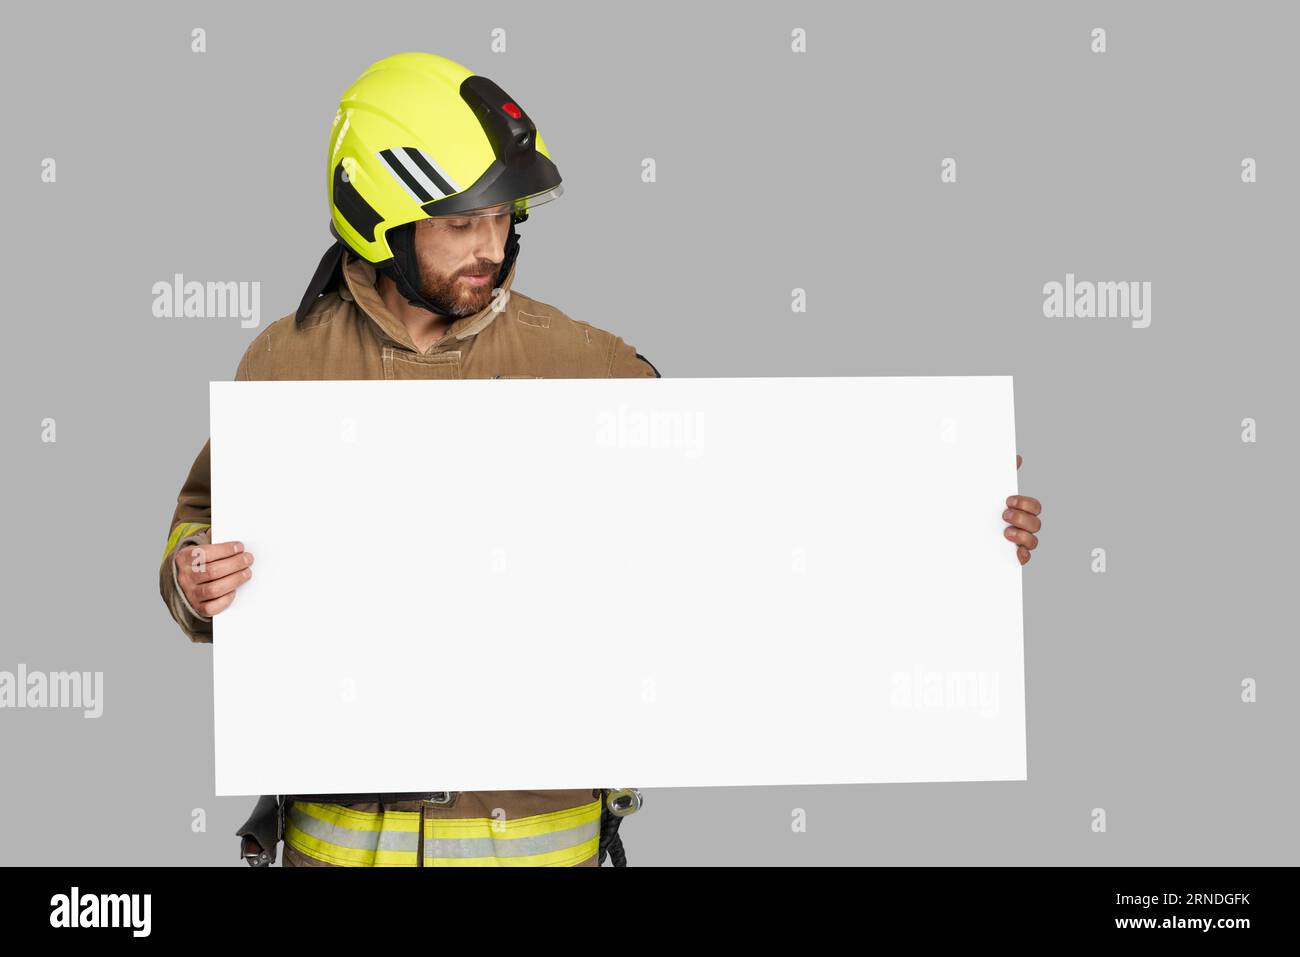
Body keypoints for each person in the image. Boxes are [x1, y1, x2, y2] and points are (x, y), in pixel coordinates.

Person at [158, 51, 656, 867]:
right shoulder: (281, 365)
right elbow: (200, 520)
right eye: (461, 223)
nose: (489, 245)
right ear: (376, 219)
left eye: (501, 218)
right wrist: (190, 576)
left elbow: (690, 561)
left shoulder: (594, 367)